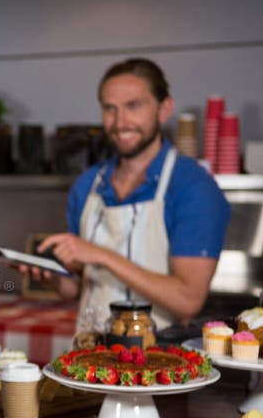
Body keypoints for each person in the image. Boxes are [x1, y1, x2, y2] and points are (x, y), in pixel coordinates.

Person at [26, 58, 230, 330]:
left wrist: (103, 255)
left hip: (158, 352)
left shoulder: (193, 186)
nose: (120, 122)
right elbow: (78, 288)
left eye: (133, 106)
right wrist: (51, 277)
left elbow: (188, 300)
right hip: (88, 349)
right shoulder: (87, 185)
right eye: (110, 108)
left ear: (164, 109)